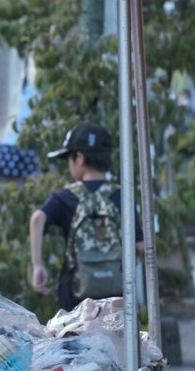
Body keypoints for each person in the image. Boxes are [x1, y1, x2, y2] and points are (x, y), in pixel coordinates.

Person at [29, 122, 143, 312]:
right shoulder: (122, 195)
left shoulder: (65, 197)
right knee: (114, 340)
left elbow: (37, 219)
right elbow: (139, 246)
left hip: (75, 290)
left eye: (68, 159)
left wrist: (38, 265)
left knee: (75, 339)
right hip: (116, 292)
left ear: (80, 158)